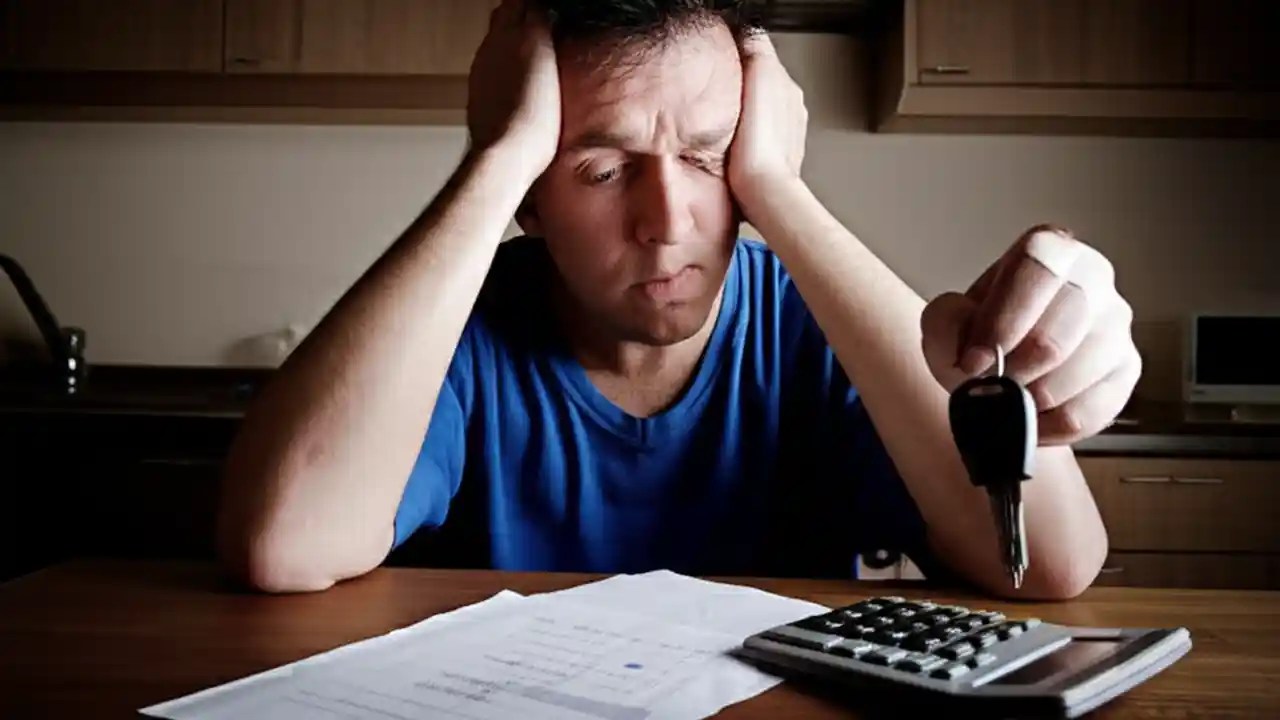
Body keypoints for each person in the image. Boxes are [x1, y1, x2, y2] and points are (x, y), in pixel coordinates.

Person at [215, 0, 1139, 600]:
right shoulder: (461, 333)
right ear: (534, 197)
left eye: (707, 158)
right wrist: (497, 159)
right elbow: (285, 545)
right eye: (603, 168)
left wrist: (777, 188)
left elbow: (1052, 564)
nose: (666, 222)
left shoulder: (813, 331)